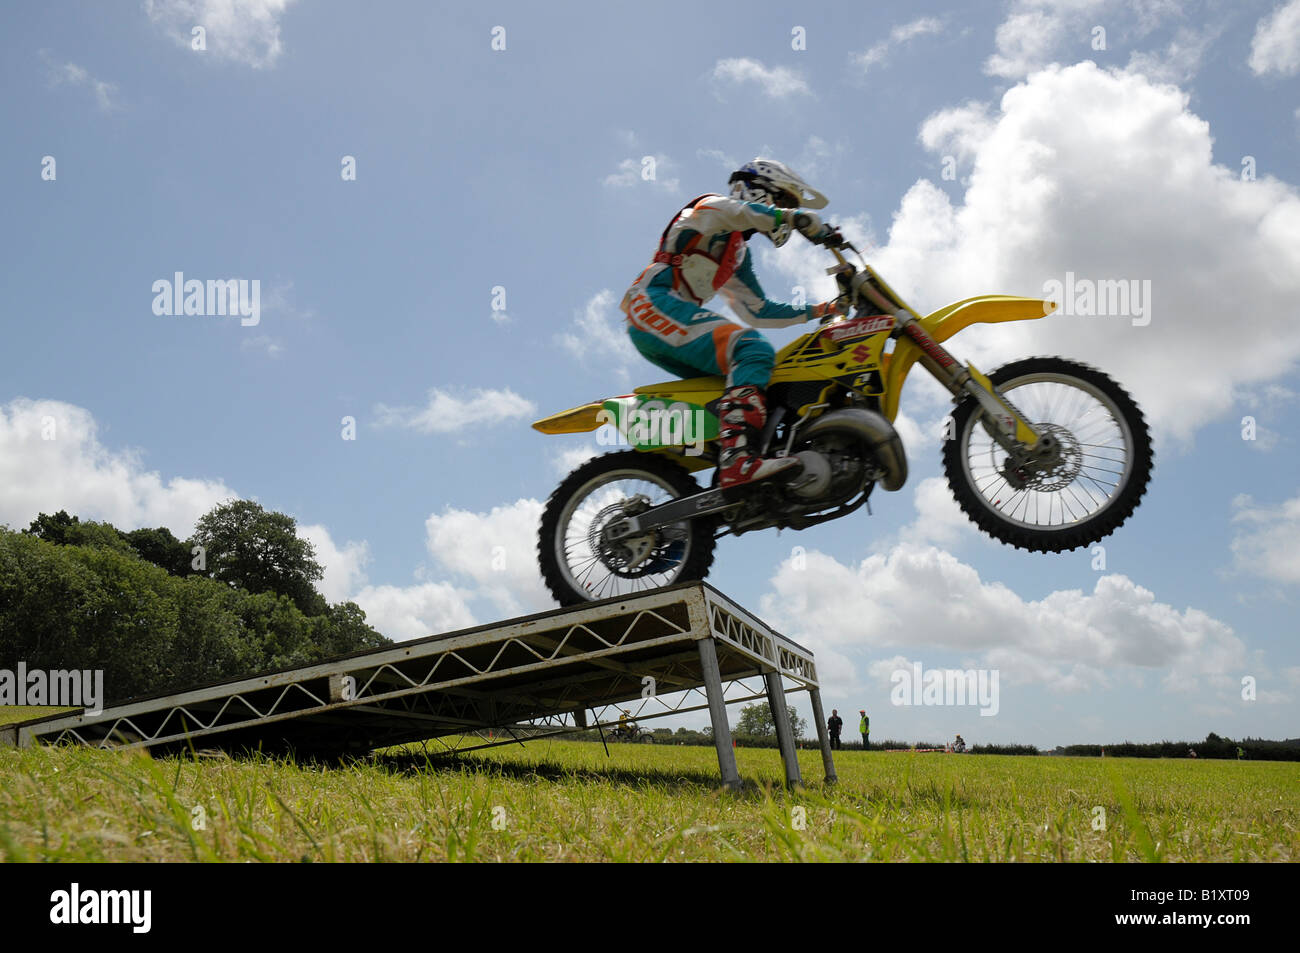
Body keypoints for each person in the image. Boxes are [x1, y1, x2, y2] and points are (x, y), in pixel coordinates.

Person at [621, 158, 848, 488]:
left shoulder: (738, 252)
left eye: (788, 205)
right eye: (783, 199)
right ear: (757, 189)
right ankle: (737, 462)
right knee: (751, 349)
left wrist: (823, 309)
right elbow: (739, 213)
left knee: (759, 380)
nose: (784, 210)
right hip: (653, 301)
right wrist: (794, 217)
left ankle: (733, 465)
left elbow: (757, 310)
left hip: (670, 323)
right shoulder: (710, 208)